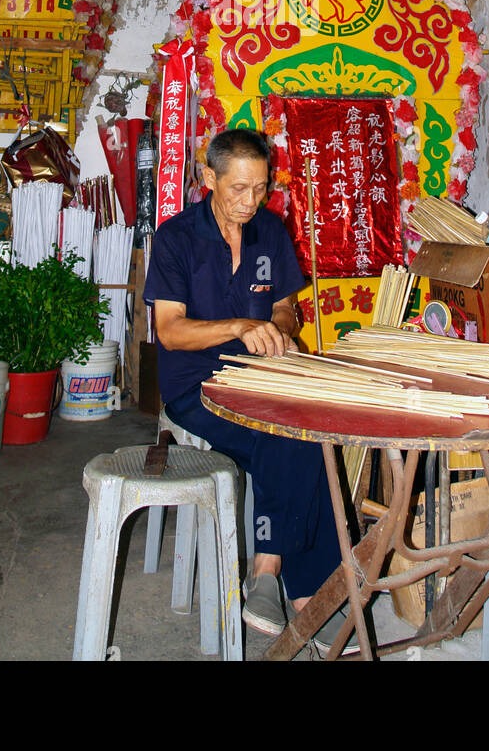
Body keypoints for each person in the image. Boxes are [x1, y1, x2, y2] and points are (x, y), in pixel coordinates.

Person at [144, 127, 355, 653]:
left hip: (260, 376)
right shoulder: (175, 239)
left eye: (260, 188)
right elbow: (170, 330)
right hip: (198, 385)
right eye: (238, 188)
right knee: (284, 435)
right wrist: (239, 326)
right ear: (208, 177)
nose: (249, 201)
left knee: (315, 426)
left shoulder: (270, 232)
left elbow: (286, 305)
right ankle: (295, 586)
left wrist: (280, 328)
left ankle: (284, 583)